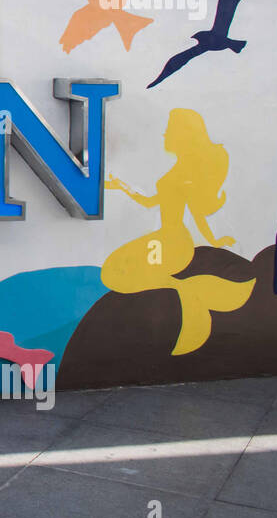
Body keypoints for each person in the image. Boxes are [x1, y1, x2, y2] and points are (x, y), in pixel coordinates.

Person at [102, 108, 255, 355]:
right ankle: (186, 290)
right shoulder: (179, 170)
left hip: (173, 241)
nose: (164, 135)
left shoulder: (185, 174)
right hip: (165, 238)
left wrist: (214, 240)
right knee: (112, 272)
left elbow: (195, 211)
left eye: (169, 130)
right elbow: (151, 202)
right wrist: (120, 187)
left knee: (116, 273)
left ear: (184, 135)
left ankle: (186, 294)